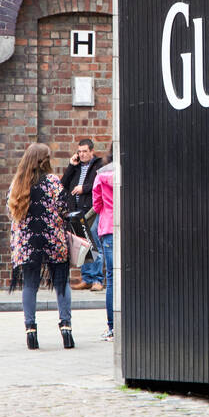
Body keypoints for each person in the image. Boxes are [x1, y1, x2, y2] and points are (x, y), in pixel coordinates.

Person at [7, 142, 75, 349]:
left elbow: (11, 212)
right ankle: (66, 330)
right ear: (46, 160)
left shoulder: (17, 184)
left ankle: (31, 332)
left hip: (27, 243)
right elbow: (65, 209)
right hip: (52, 239)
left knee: (30, 285)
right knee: (61, 283)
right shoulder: (53, 182)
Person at [62, 138, 105, 291]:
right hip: (77, 211)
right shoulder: (76, 167)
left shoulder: (98, 165)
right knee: (83, 245)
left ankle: (97, 280)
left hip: (92, 210)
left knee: (94, 243)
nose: (82, 155)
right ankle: (87, 278)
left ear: (92, 151)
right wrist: (70, 165)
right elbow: (63, 184)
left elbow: (98, 184)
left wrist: (83, 188)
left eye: (85, 151)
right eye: (79, 152)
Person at [91, 145, 116, 342]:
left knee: (111, 277)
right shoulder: (130, 171)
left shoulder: (102, 174)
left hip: (108, 227)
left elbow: (96, 203)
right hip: (128, 226)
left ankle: (112, 326)